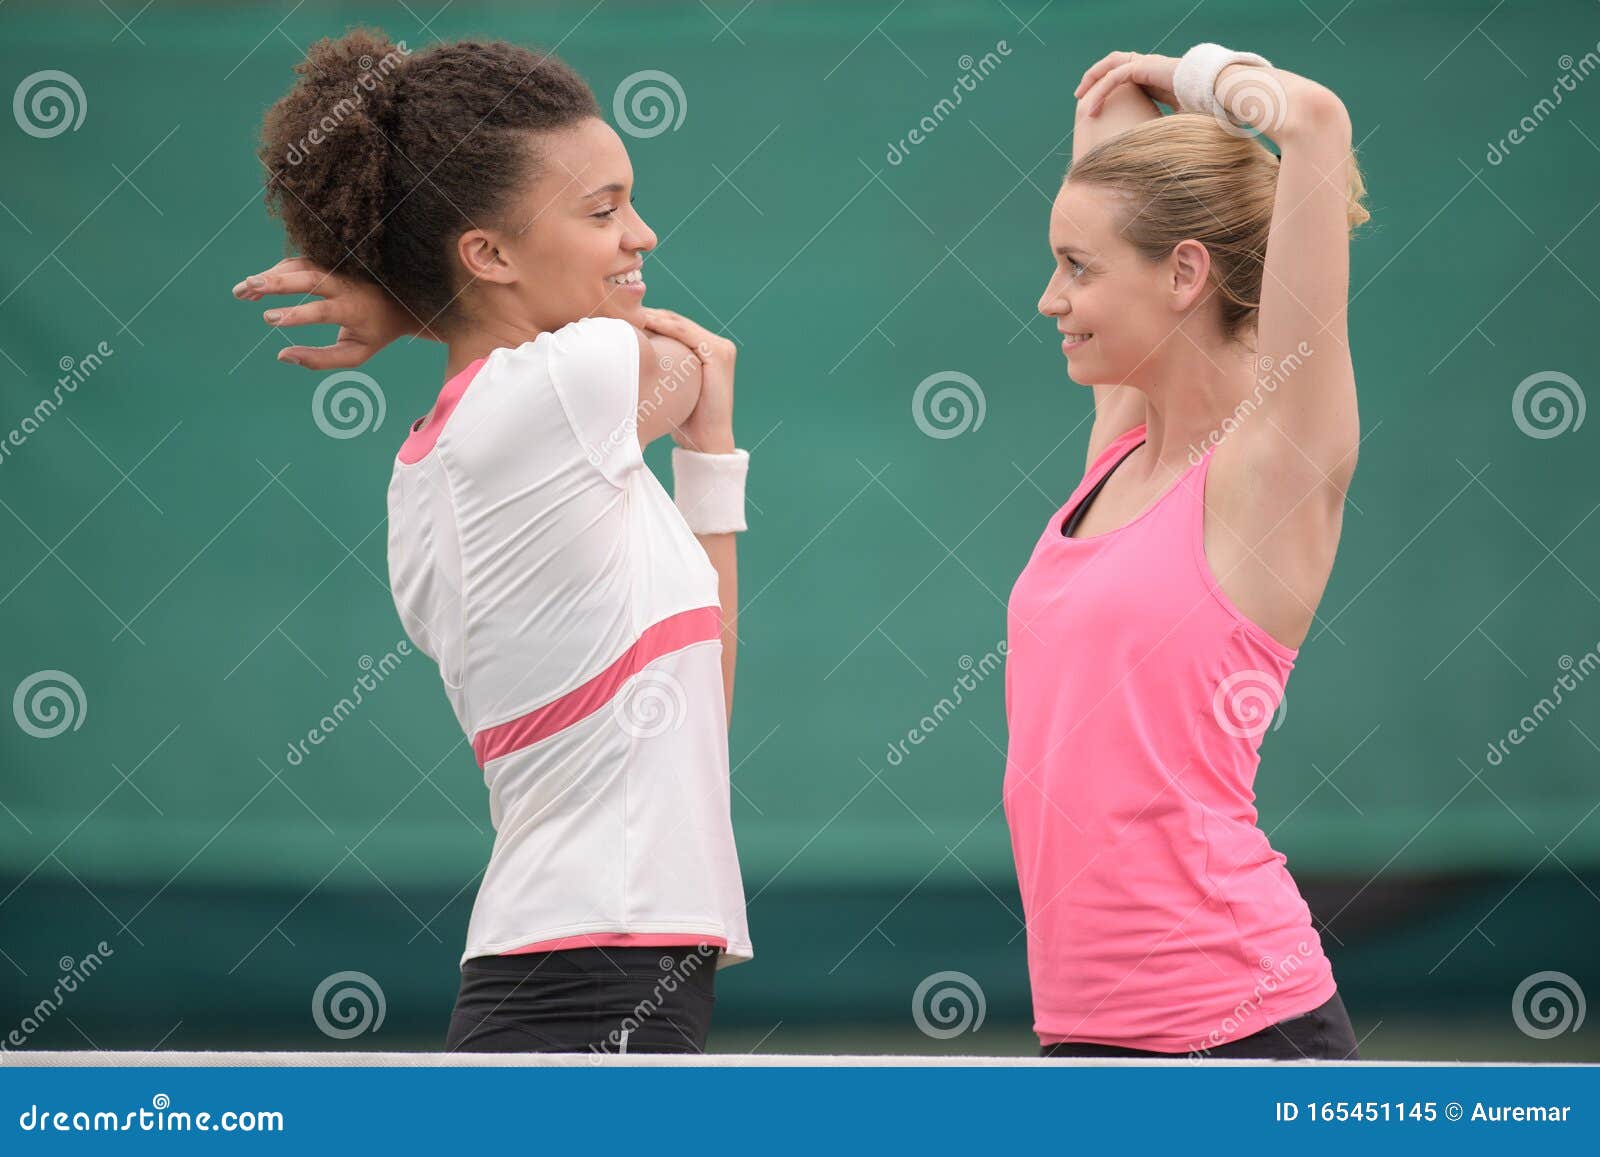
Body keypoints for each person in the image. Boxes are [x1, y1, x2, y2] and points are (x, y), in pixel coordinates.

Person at [236, 27, 753, 1054]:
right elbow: (691, 358)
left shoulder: (516, 451)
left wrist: (709, 470)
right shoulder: (567, 390)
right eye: (603, 210)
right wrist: (416, 308)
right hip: (589, 973)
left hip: (608, 958)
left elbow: (702, 708)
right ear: (489, 253)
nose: (640, 234)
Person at [1006, 45, 1368, 1060]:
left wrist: (1201, 72)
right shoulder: (1122, 446)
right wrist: (1120, 98)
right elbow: (1112, 150)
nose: (1049, 297)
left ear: (1185, 272)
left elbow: (1316, 123)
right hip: (1087, 1026)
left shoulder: (1271, 466)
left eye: (1075, 270)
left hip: (1235, 1024)